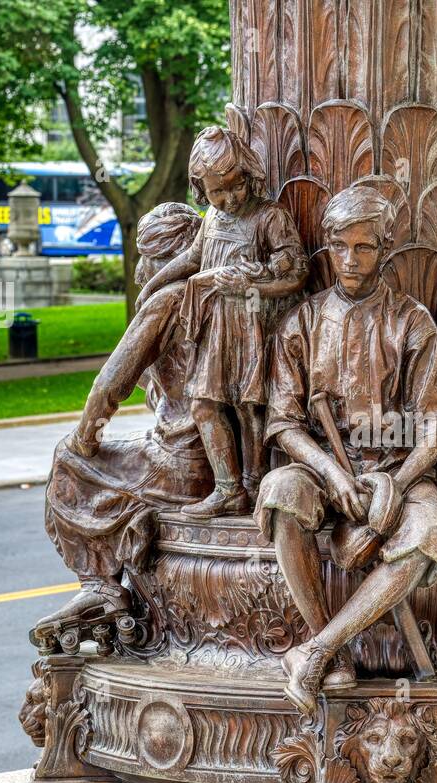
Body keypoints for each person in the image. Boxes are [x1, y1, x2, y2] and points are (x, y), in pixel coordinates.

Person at [257, 185, 437, 715]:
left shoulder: (411, 321)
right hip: (324, 469)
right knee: (281, 491)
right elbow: (283, 423)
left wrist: (400, 481)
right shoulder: (300, 323)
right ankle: (330, 647)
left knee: (431, 532)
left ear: (385, 250)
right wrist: (332, 473)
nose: (350, 259)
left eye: (364, 247)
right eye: (340, 246)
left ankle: (316, 652)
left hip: (399, 470)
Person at [38, 202, 211, 630]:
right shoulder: (217, 295)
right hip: (217, 461)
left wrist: (85, 440)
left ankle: (101, 586)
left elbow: (109, 385)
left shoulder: (169, 300)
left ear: (167, 255)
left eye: (145, 256)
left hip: (181, 463)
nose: (138, 273)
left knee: (67, 463)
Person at [137, 126, 309, 516]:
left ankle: (253, 484)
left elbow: (298, 272)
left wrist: (255, 280)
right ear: (201, 190)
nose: (230, 198)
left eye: (237, 186)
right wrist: (154, 284)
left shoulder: (269, 217)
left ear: (250, 175)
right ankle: (228, 486)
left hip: (253, 325)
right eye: (218, 191)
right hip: (216, 328)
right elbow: (193, 259)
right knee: (205, 405)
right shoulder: (212, 217)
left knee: (250, 408)